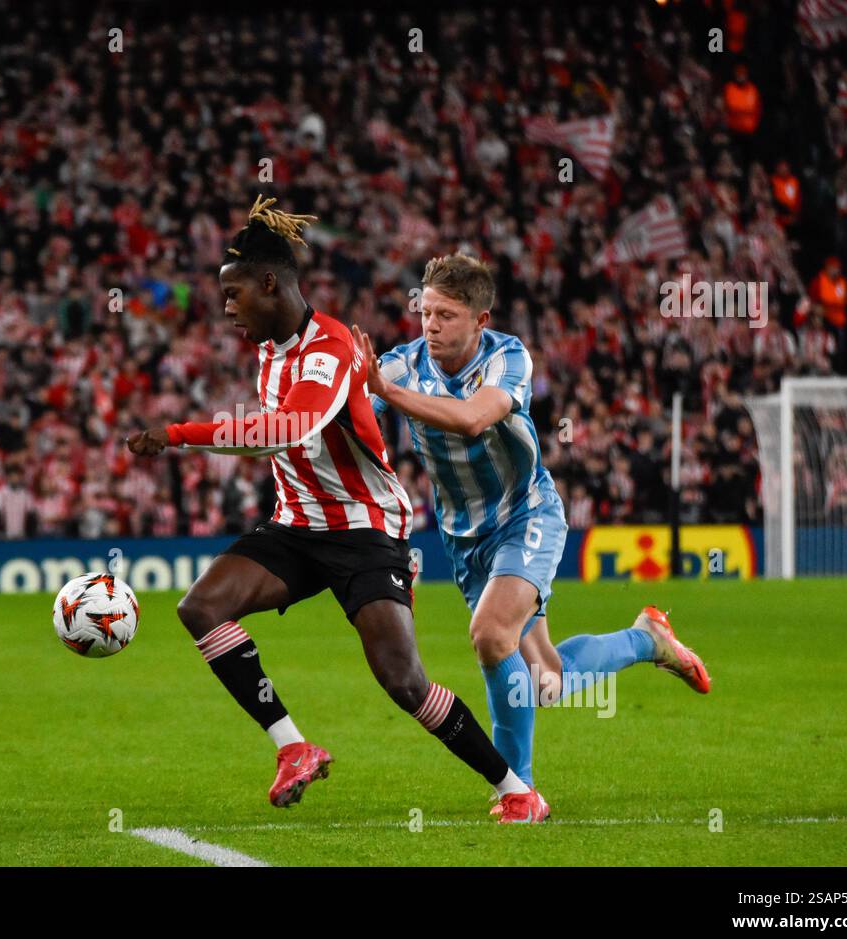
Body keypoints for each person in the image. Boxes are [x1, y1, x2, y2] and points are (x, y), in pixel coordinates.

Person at [127, 198, 541, 822]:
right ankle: (293, 748)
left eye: (235, 294)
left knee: (403, 683)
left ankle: (516, 790)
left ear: (271, 283)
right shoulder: (270, 348)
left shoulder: (330, 347)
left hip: (366, 531)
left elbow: (286, 428)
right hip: (296, 525)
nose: (228, 308)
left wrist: (179, 434)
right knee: (201, 607)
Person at [355, 253, 711, 819]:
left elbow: (475, 417)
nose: (432, 325)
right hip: (464, 540)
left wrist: (387, 394)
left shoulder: (508, 357)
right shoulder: (400, 367)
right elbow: (350, 416)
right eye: (426, 312)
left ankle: (518, 790)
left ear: (481, 319)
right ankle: (647, 640)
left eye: (447, 315)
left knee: (491, 635)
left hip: (527, 515)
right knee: (546, 679)